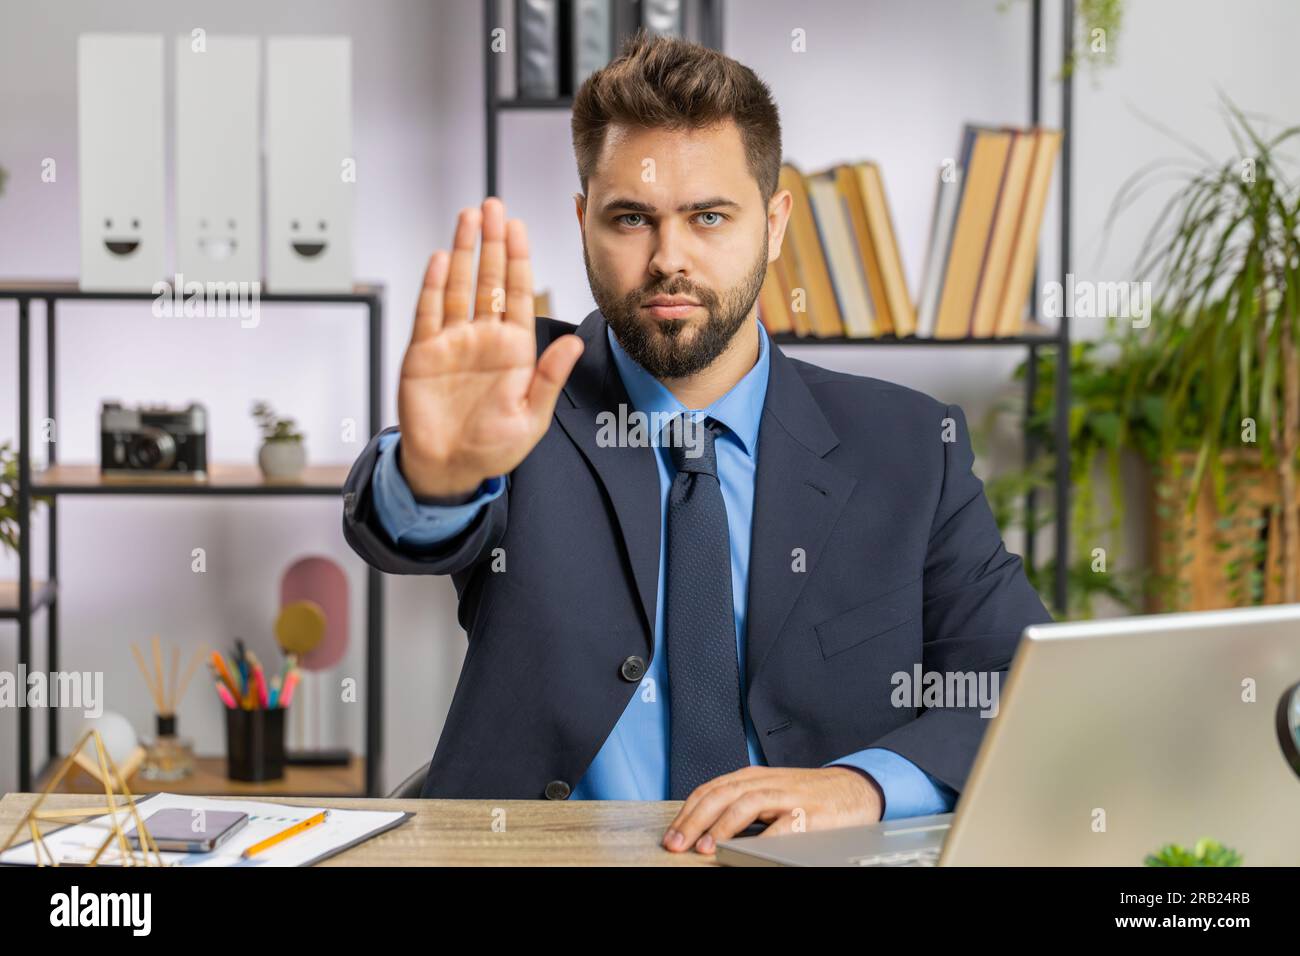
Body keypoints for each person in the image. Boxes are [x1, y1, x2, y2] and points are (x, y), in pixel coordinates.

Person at [342, 30, 1052, 856]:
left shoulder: (906, 446)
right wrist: (432, 479)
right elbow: (400, 529)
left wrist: (861, 785)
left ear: (775, 222)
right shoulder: (518, 391)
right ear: (583, 222)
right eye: (630, 218)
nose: (668, 259)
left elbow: (1013, 685)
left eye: (708, 216)